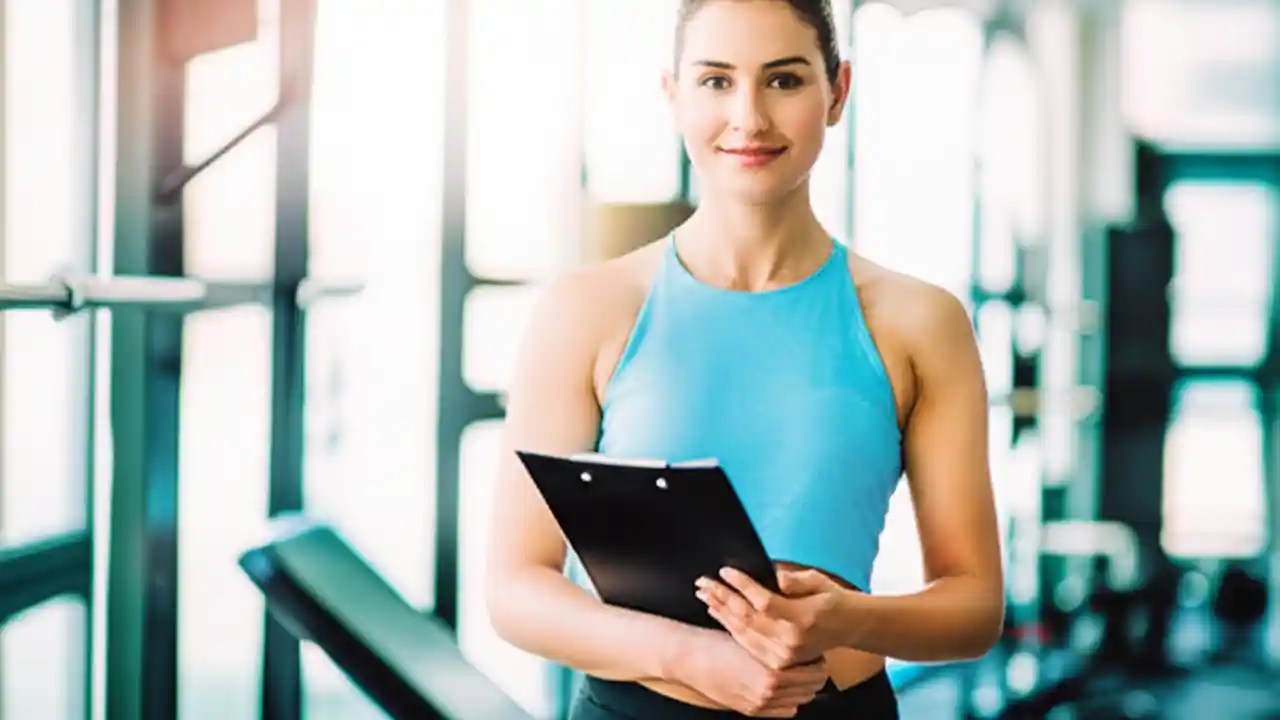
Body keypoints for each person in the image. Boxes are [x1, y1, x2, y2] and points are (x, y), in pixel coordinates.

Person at [485, 1, 1005, 717]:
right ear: (674, 94)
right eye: (716, 81)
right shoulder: (588, 308)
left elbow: (973, 607)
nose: (749, 118)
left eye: (784, 80)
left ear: (838, 92)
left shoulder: (920, 321)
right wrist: (692, 657)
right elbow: (515, 588)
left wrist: (846, 619)